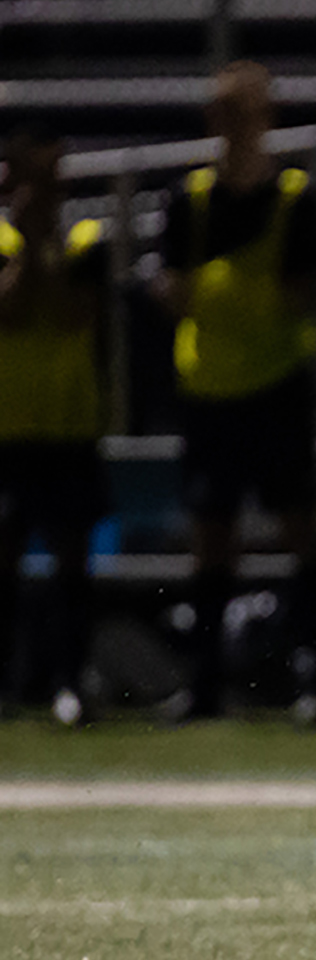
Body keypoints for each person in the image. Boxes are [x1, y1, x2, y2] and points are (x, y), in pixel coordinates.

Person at [155, 61, 316, 721]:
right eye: (220, 114)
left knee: (299, 529)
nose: (229, 127)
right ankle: (204, 684)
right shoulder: (189, 200)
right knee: (211, 536)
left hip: (277, 384)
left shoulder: (294, 198)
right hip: (208, 388)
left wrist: (220, 291)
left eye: (242, 112)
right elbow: (169, 289)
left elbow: (300, 295)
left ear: (265, 118)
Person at [0, 126, 107, 726]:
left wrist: (46, 248)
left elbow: (74, 315)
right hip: (8, 427)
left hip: (68, 423)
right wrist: (28, 247)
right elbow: (10, 311)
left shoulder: (86, 239)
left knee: (72, 560)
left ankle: (71, 680)